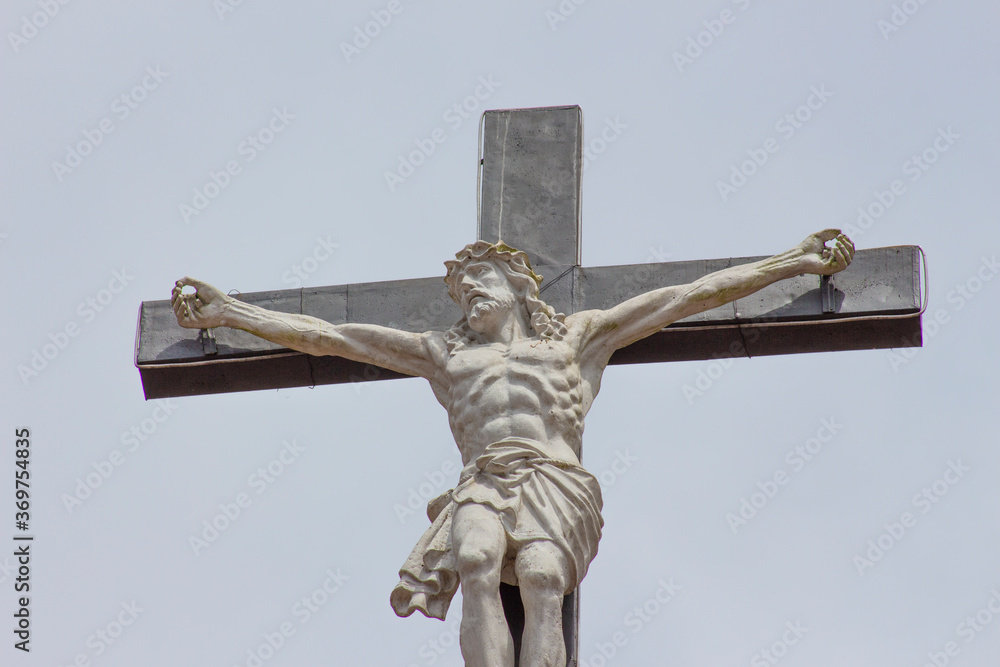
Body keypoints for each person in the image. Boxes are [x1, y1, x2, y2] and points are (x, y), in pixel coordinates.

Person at [171, 229, 854, 667]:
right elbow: (331, 336)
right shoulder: (443, 355)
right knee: (473, 556)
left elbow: (686, 297)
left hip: (555, 478)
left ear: (519, 289)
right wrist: (233, 312)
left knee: (543, 580)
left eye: (481, 282)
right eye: (460, 289)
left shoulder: (575, 338)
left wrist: (792, 261)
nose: (468, 292)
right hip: (482, 478)